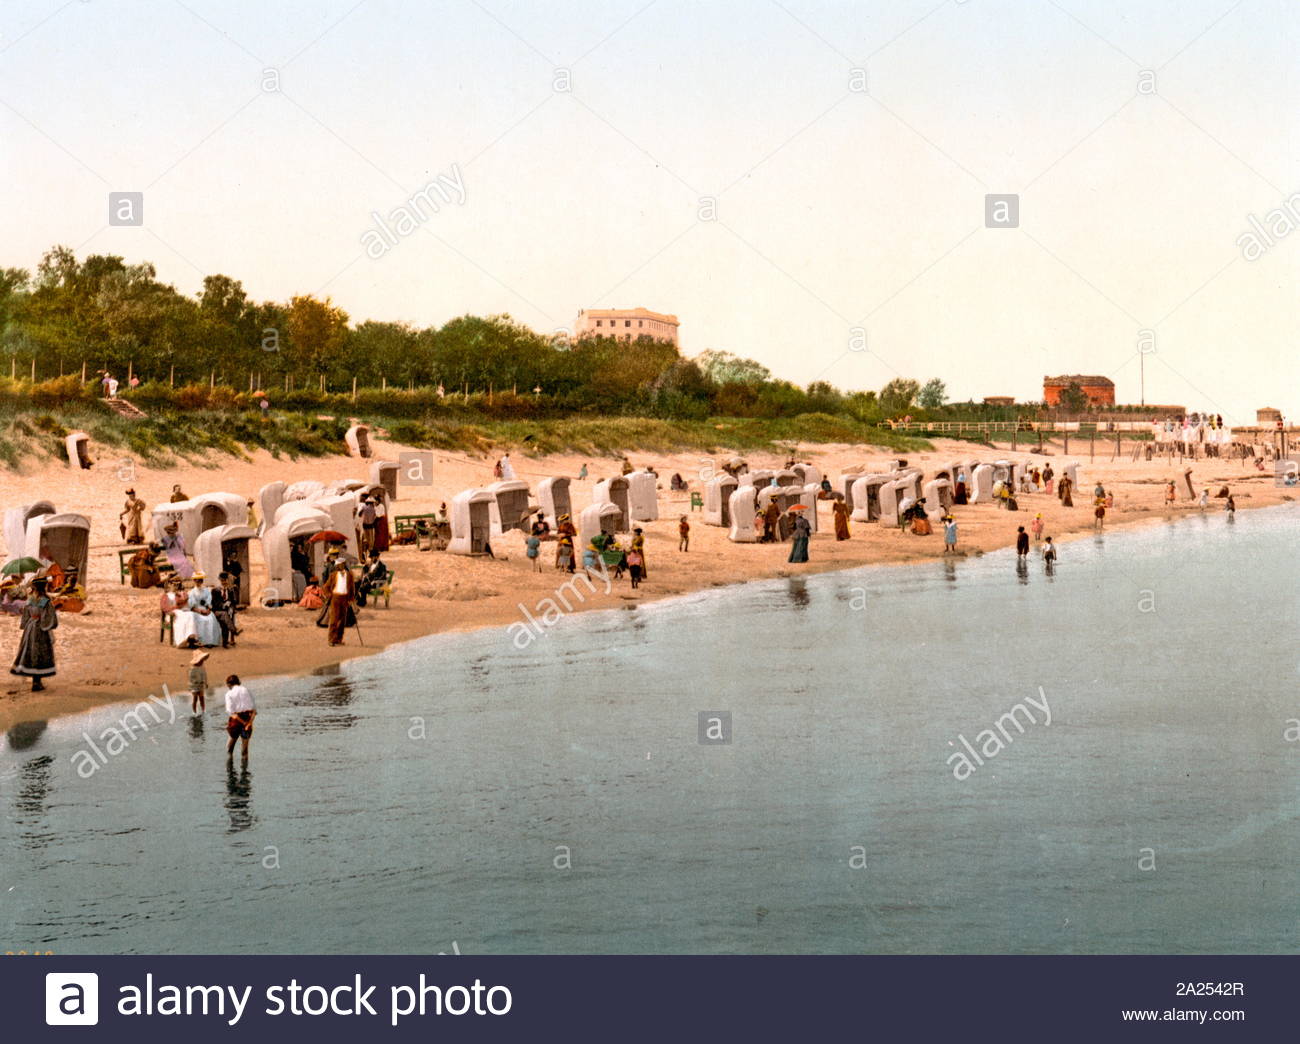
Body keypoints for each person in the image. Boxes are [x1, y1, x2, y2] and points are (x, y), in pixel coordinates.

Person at [10, 577, 57, 691]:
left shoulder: (30, 600)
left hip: (30, 628)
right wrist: (47, 626)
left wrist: (27, 625)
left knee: (30, 651)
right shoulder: (45, 601)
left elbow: (25, 615)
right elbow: (48, 618)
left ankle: (34, 680)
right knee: (40, 652)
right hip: (40, 629)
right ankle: (37, 682)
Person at [324, 559, 357, 646]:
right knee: (334, 619)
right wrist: (329, 595)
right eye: (337, 565)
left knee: (342, 620)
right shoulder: (333, 575)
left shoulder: (349, 575)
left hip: (345, 598)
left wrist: (351, 599)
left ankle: (338, 639)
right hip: (335, 598)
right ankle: (331, 639)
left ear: (343, 564)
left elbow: (352, 589)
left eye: (340, 565)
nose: (338, 567)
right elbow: (326, 587)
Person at [224, 674, 256, 759]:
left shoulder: (229, 694)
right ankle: (245, 766)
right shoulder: (246, 690)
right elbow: (254, 710)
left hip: (236, 721)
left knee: (231, 744)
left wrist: (243, 722)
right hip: (248, 717)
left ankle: (229, 762)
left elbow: (231, 712)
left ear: (229, 684)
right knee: (245, 749)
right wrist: (249, 723)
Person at [186, 576, 222, 647]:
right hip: (196, 610)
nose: (198, 583)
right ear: (194, 581)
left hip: (205, 609)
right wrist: (200, 611)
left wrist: (208, 610)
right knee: (200, 620)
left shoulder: (206, 590)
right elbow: (192, 606)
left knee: (210, 618)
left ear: (202, 581)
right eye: (196, 581)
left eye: (199, 581)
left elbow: (209, 602)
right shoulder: (191, 592)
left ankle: (209, 641)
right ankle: (199, 641)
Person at [212, 572, 240, 647]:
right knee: (225, 614)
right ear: (220, 580)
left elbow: (233, 602)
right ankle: (234, 630)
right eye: (222, 580)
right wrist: (224, 605)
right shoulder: (215, 591)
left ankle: (225, 642)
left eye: (225, 580)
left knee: (229, 614)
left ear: (227, 580)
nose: (224, 582)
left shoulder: (230, 590)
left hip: (227, 611)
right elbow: (215, 603)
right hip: (217, 611)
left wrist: (231, 607)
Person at [189, 650, 210, 715]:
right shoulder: (192, 669)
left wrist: (206, 683)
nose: (202, 661)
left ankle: (203, 710)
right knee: (195, 699)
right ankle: (194, 712)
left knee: (202, 698)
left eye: (202, 660)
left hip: (201, 685)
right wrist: (195, 682)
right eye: (201, 660)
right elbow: (191, 677)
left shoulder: (202, 667)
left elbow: (205, 675)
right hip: (194, 686)